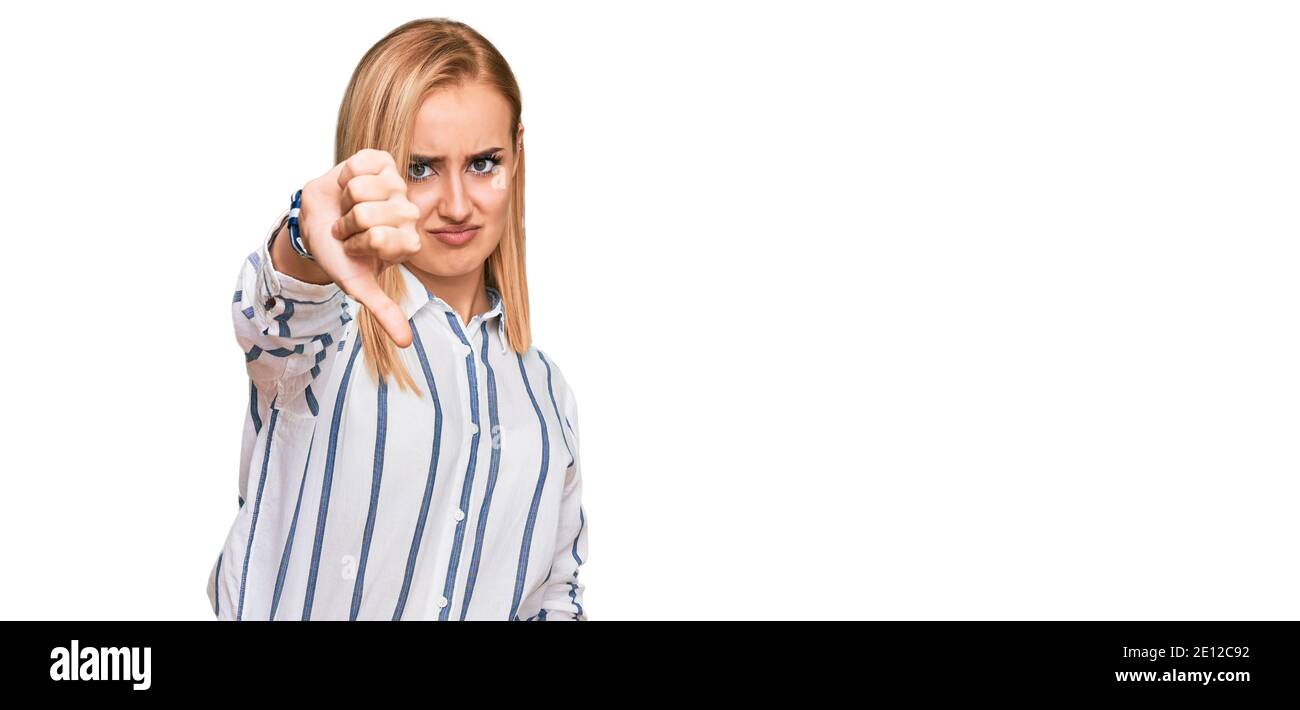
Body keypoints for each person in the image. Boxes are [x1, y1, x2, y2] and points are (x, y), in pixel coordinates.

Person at [205, 17, 589, 621]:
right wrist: (309, 238)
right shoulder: (327, 335)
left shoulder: (545, 392)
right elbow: (272, 314)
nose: (458, 204)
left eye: (484, 163)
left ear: (518, 152)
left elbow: (552, 595)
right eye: (421, 168)